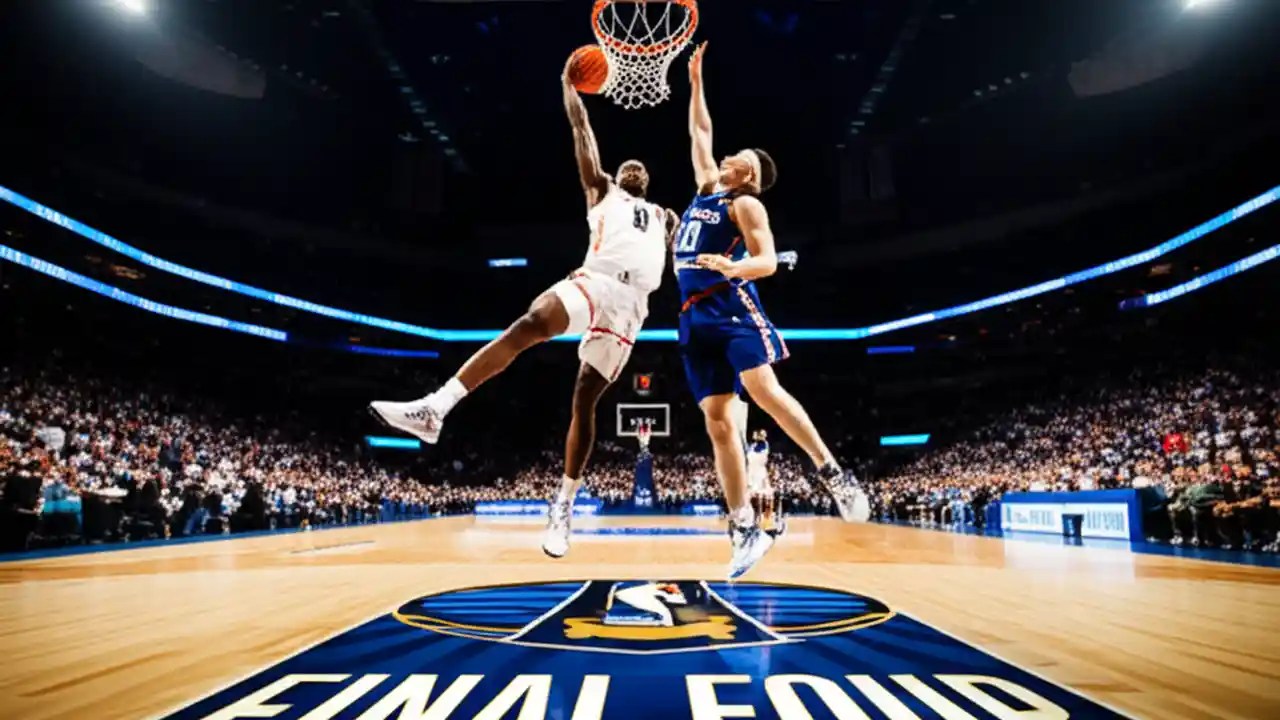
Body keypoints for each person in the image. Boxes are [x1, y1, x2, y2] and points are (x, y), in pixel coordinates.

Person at [370, 58, 677, 558]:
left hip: (632, 308)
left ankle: (564, 505)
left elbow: (685, 254)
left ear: (649, 180)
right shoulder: (602, 190)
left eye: (641, 167)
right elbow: (581, 128)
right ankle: (435, 408)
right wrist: (566, 86)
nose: (634, 167)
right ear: (618, 176)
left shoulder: (666, 216)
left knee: (584, 399)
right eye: (627, 166)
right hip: (594, 280)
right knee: (532, 322)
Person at [674, 42, 866, 579]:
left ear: (752, 176)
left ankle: (832, 472)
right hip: (691, 316)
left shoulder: (746, 203)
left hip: (730, 305)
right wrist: (695, 84)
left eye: (744, 159)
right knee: (717, 424)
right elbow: (700, 134)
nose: (731, 157)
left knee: (763, 390)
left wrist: (732, 270)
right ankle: (742, 529)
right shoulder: (707, 191)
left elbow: (766, 261)